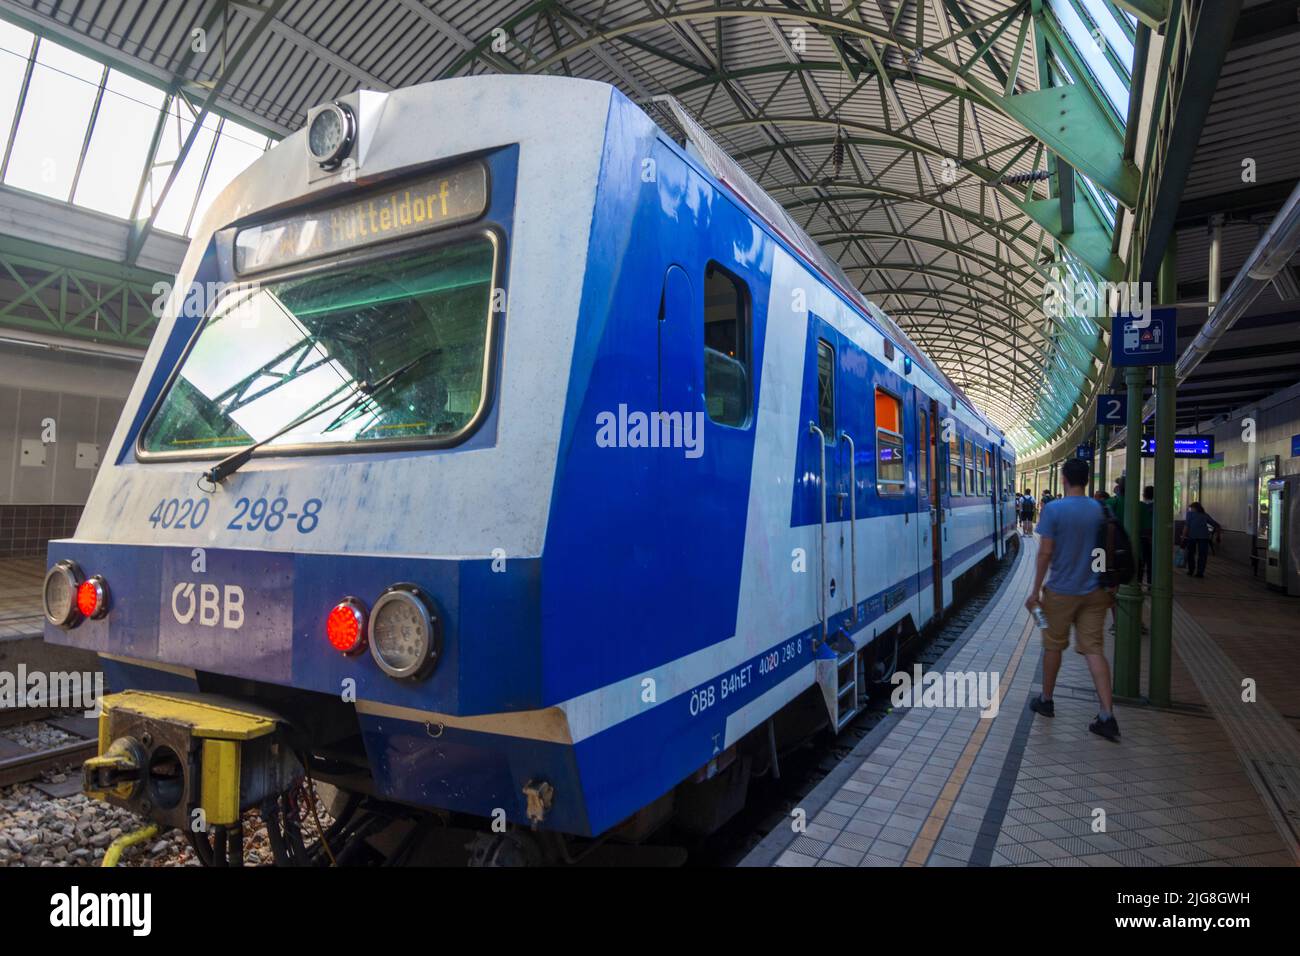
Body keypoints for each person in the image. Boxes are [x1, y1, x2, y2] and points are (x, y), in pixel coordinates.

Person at [1025, 458, 1120, 742]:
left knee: (1053, 645)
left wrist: (1035, 590)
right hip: (1095, 592)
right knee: (1094, 649)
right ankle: (1106, 715)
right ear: (1087, 480)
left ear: (1064, 478)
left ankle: (1047, 699)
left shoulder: (1054, 509)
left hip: (1061, 592)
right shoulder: (1099, 508)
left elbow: (1045, 554)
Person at [1182, 502, 1220, 578]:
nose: (1191, 509)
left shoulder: (1189, 514)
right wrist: (1218, 535)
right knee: (1202, 555)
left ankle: (1191, 570)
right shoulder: (1205, 515)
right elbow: (1216, 525)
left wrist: (1183, 536)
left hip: (1192, 536)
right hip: (1204, 537)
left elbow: (1186, 526)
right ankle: (1200, 572)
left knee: (1191, 554)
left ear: (1195, 508)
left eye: (1191, 508)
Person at [1139, 485, 1155, 587]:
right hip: (1153, 538)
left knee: (1140, 561)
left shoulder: (1140, 506)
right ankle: (1151, 583)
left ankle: (1138, 582)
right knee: (1151, 562)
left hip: (1140, 536)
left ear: (1144, 494)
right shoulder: (1157, 506)